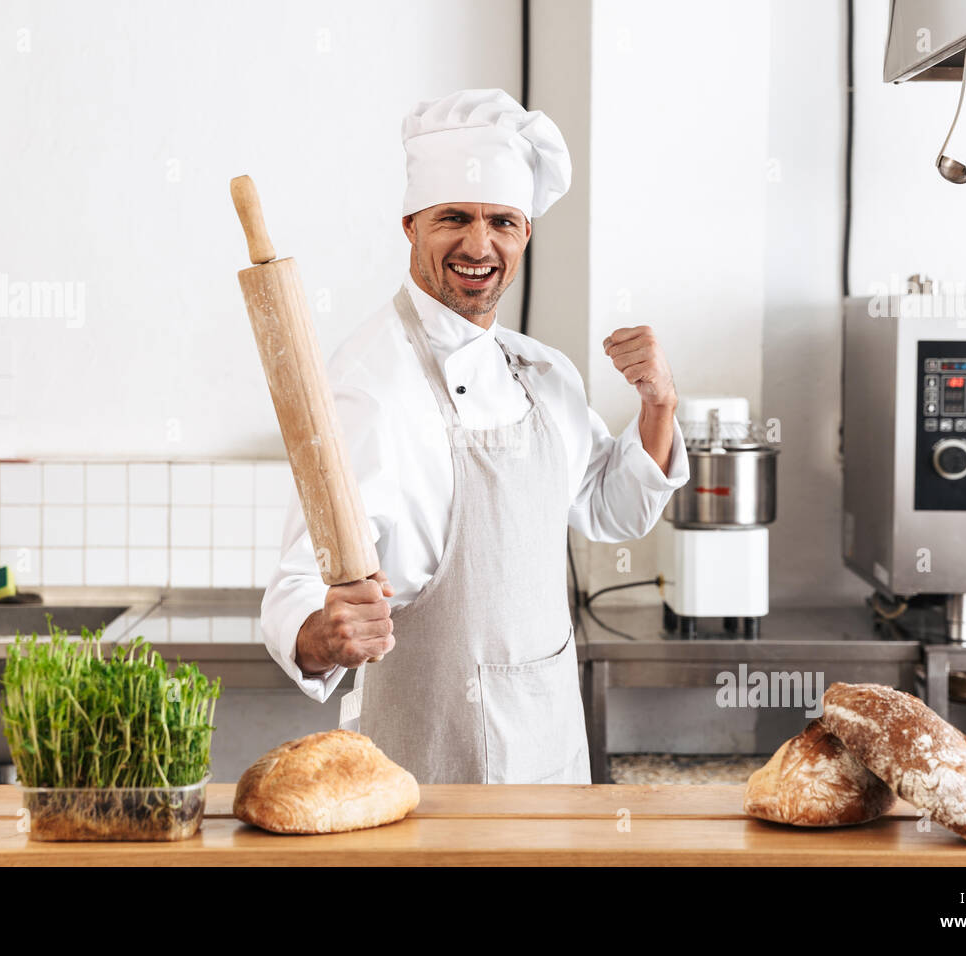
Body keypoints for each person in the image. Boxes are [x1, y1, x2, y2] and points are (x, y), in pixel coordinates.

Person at [262, 88, 688, 784]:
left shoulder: (540, 373)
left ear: (525, 234)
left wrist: (659, 405)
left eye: (503, 221)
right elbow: (298, 586)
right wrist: (321, 636)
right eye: (453, 218)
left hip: (550, 758)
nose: (478, 244)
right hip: (430, 768)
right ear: (410, 225)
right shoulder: (370, 383)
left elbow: (611, 510)